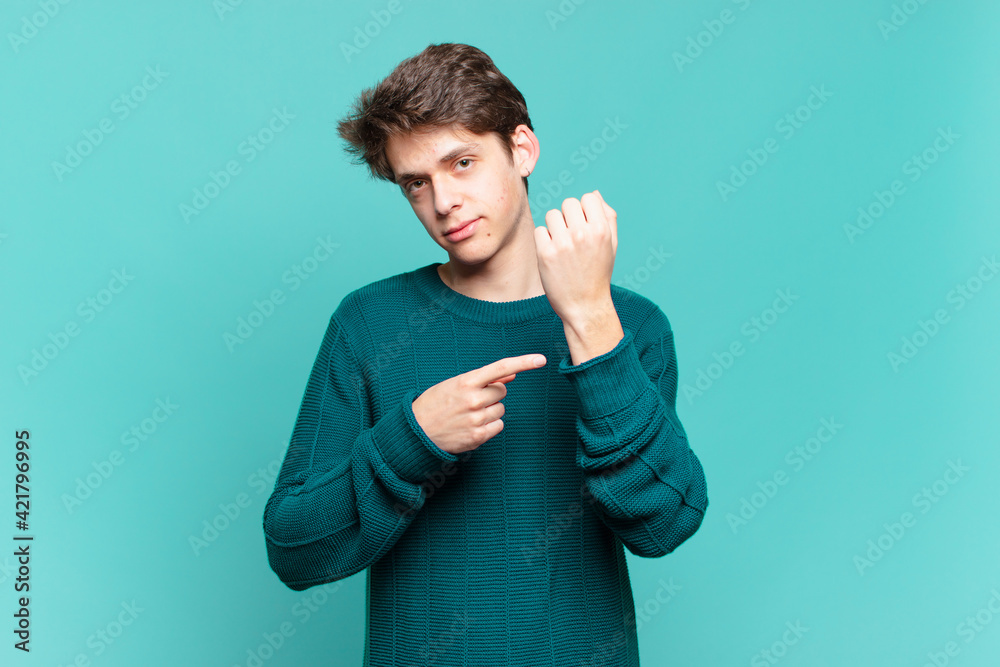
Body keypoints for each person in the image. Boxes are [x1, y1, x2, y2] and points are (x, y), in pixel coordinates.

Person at [263, 42, 708, 666]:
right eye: (416, 183)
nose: (443, 202)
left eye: (463, 163)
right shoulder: (368, 323)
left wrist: (589, 318)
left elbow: (665, 522)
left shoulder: (628, 324)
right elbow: (294, 549)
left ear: (521, 150)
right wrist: (412, 439)